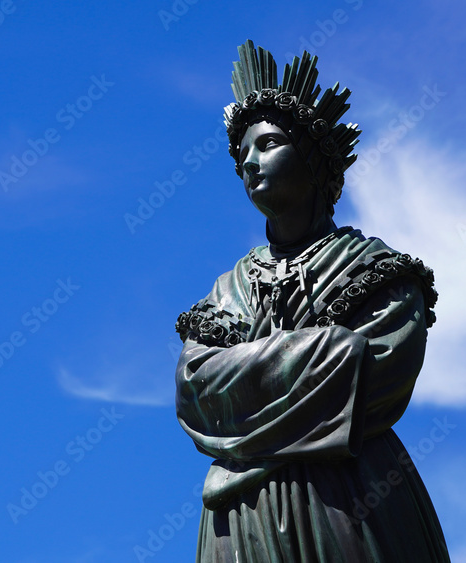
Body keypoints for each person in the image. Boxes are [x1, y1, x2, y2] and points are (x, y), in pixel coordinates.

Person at [173, 41, 451, 562]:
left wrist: (249, 379)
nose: (249, 162)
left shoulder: (375, 271)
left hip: (350, 503)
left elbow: (378, 374)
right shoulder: (228, 289)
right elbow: (196, 389)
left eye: (268, 144)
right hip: (242, 521)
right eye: (242, 154)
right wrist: (327, 350)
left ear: (312, 159)